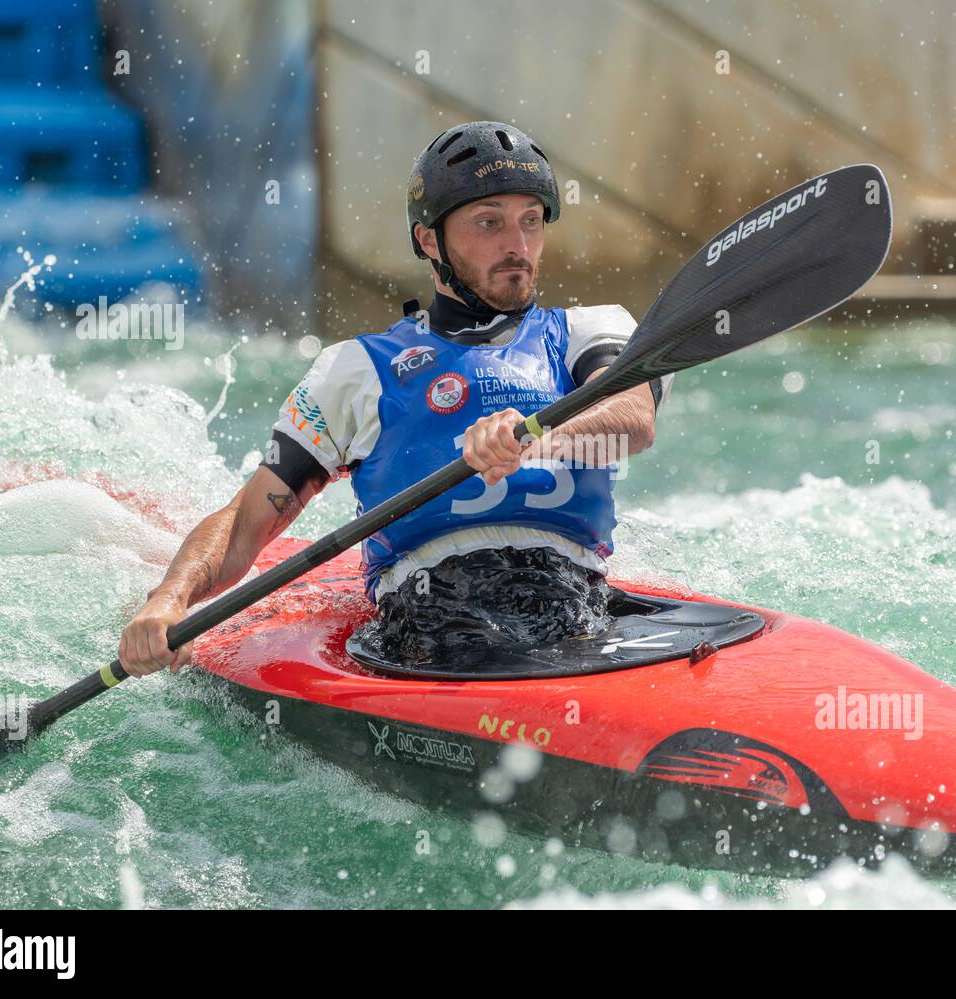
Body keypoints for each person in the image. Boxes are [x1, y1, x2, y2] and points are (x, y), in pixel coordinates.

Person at [118, 120, 669, 675]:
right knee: (468, 635)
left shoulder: (587, 332)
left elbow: (629, 417)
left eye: (531, 221)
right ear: (430, 240)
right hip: (429, 619)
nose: (517, 246)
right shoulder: (358, 370)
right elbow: (247, 518)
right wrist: (171, 599)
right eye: (489, 223)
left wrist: (536, 437)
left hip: (577, 604)